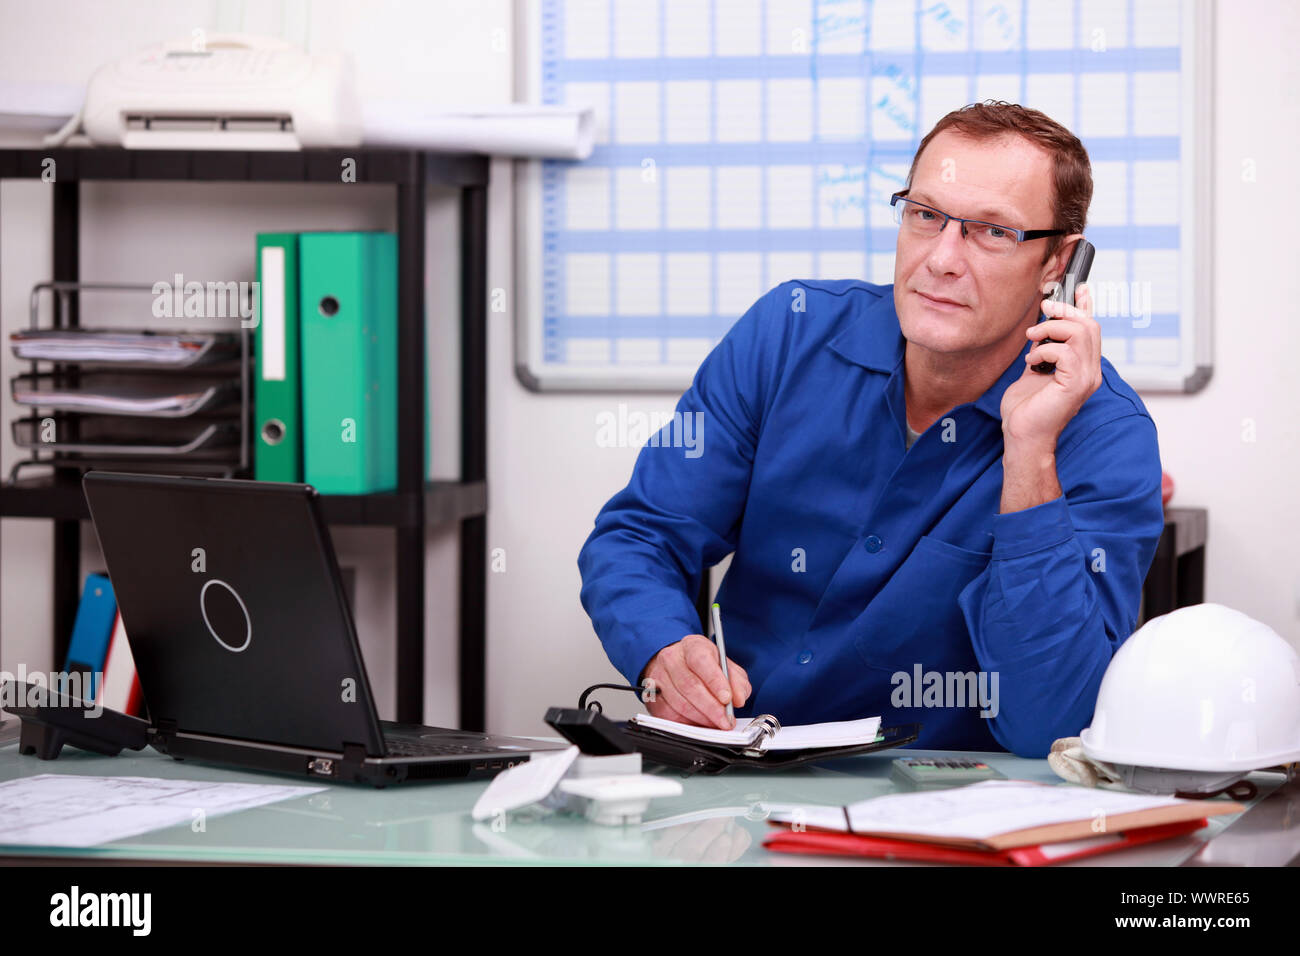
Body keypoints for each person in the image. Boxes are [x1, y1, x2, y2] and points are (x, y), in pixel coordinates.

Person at [576, 101, 1165, 758]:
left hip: (943, 820)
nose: (941, 258)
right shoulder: (787, 336)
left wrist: (1029, 452)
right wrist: (662, 649)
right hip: (736, 786)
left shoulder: (1107, 439)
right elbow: (638, 536)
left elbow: (1050, 721)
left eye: (992, 232)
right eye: (926, 215)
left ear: (1058, 263)